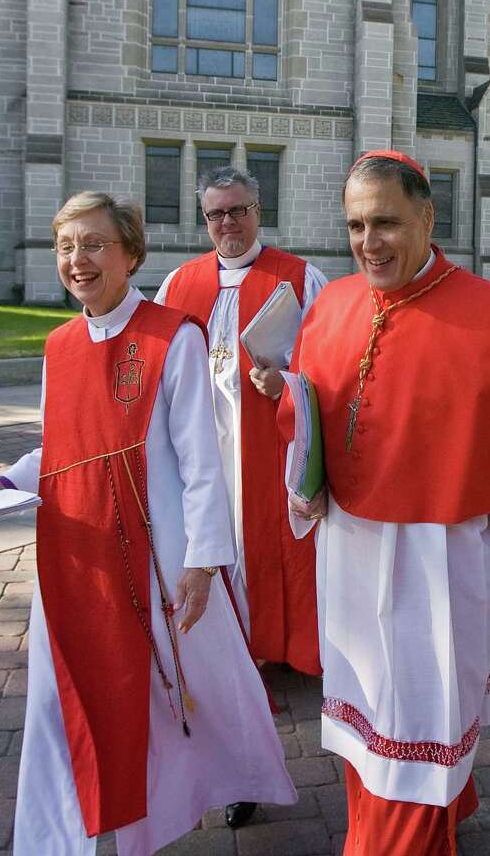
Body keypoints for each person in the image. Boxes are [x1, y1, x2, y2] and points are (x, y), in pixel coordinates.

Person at [282, 150, 490, 856]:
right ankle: (440, 811)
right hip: (350, 559)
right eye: (356, 225)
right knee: (369, 728)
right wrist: (290, 413)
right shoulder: (329, 307)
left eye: (385, 222)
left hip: (439, 570)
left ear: (427, 217)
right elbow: (309, 432)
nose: (369, 243)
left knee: (417, 726)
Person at [0, 192, 295, 855]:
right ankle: (72, 831)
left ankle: (207, 793)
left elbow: (202, 462)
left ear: (129, 253)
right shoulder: (60, 345)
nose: (78, 260)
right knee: (63, 699)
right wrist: (6, 478)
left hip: (158, 556)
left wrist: (203, 561)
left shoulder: (170, 335)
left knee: (175, 692)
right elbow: (59, 445)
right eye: (66, 246)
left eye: (94, 244)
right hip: (76, 555)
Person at [156, 167, 325, 672]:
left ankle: (270, 650)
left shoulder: (299, 278)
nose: (227, 222)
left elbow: (328, 370)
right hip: (202, 448)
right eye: (216, 213)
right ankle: (219, 652)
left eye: (238, 210)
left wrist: (287, 384)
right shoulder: (177, 283)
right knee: (208, 539)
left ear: (258, 212)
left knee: (260, 545)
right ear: (204, 218)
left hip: (267, 449)